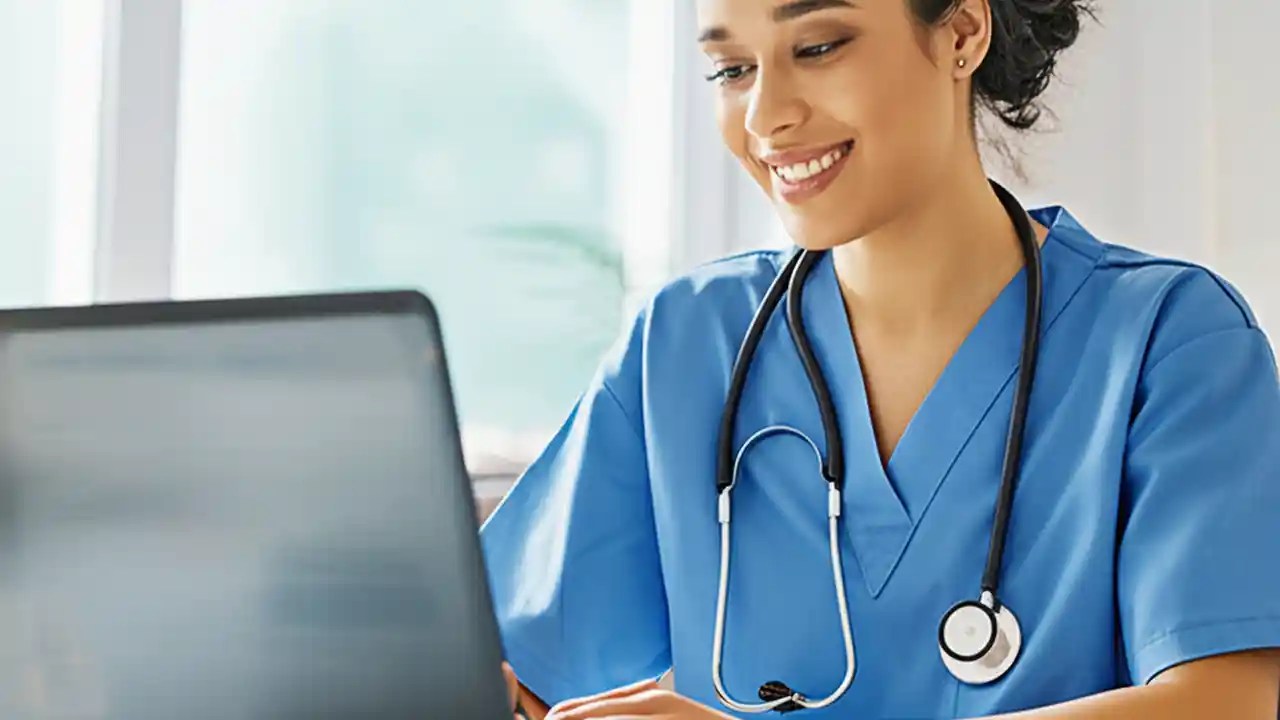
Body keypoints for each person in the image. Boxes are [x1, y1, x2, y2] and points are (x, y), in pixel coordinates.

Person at [482, 0, 1280, 717]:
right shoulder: (684, 345)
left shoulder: (1167, 342)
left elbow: (1225, 701)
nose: (767, 116)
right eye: (731, 69)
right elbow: (511, 670)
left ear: (963, 31)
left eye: (820, 47)